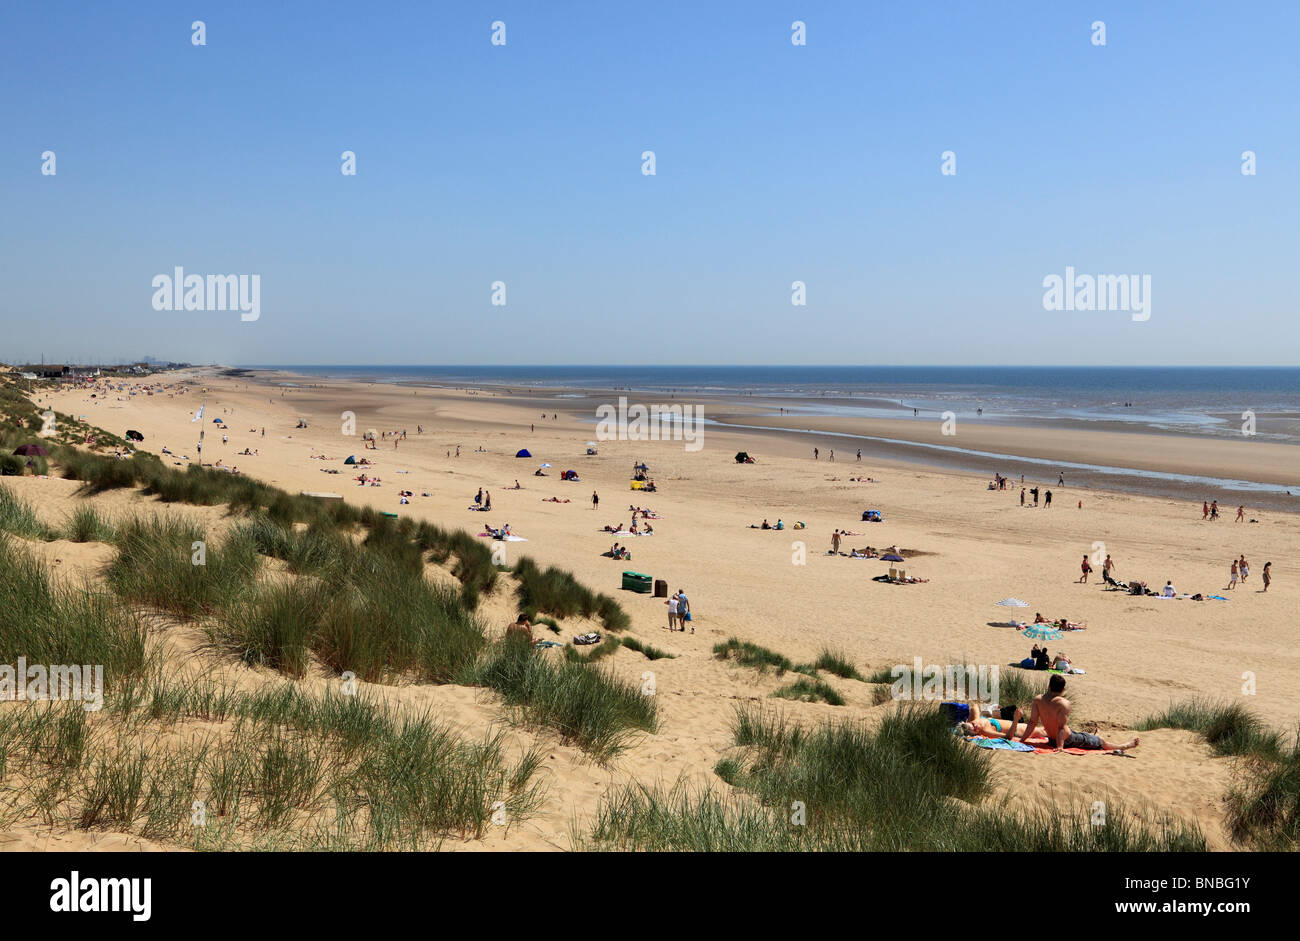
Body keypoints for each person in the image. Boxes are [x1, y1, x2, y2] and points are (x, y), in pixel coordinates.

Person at [1019, 674, 1139, 752]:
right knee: (1101, 742)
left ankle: (1094, 736)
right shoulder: (1063, 703)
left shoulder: (1038, 700)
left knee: (1085, 736)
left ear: (1049, 686)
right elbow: (1060, 727)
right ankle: (1124, 746)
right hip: (1068, 739)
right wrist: (1060, 747)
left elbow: (1032, 722)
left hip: (1051, 739)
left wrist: (1022, 740)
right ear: (1063, 690)